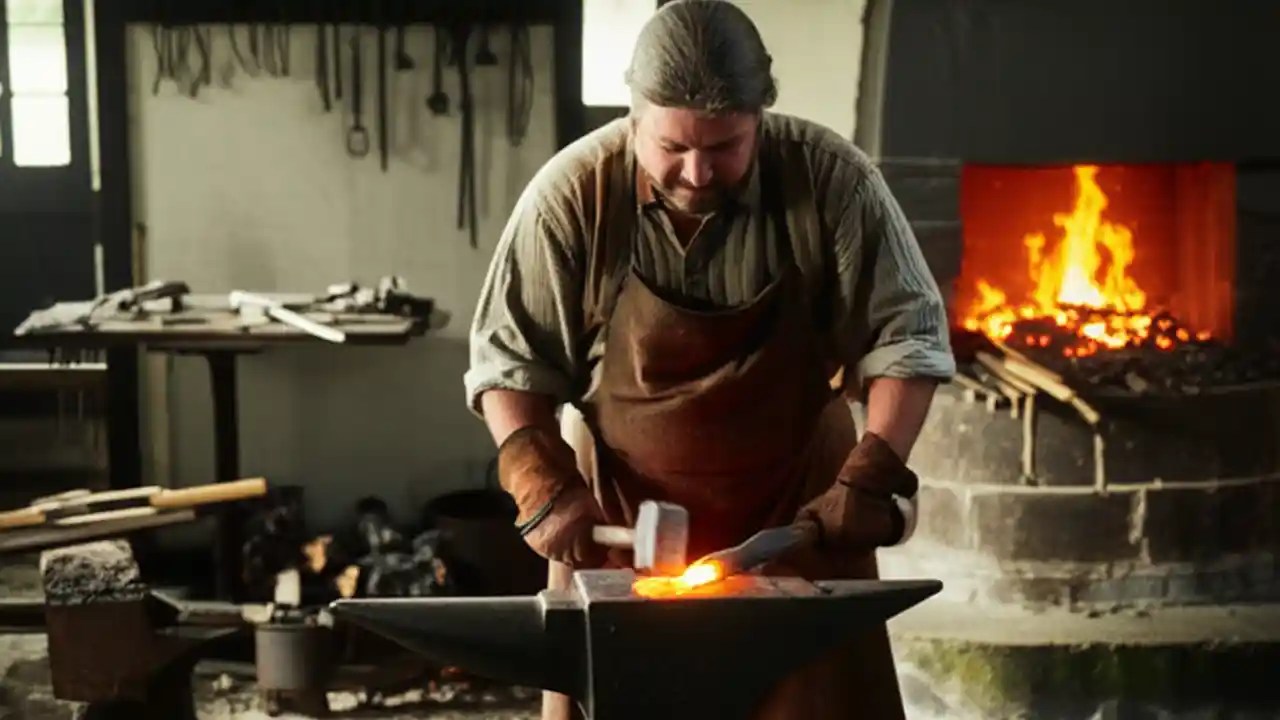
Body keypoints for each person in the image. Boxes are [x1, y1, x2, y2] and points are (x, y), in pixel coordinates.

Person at [465, 1, 954, 717]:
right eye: (672, 146)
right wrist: (539, 478)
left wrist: (873, 472)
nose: (697, 171)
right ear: (634, 117)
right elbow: (511, 362)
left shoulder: (831, 181)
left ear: (761, 118)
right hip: (623, 518)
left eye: (725, 146)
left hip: (801, 510)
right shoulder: (573, 196)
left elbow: (907, 340)